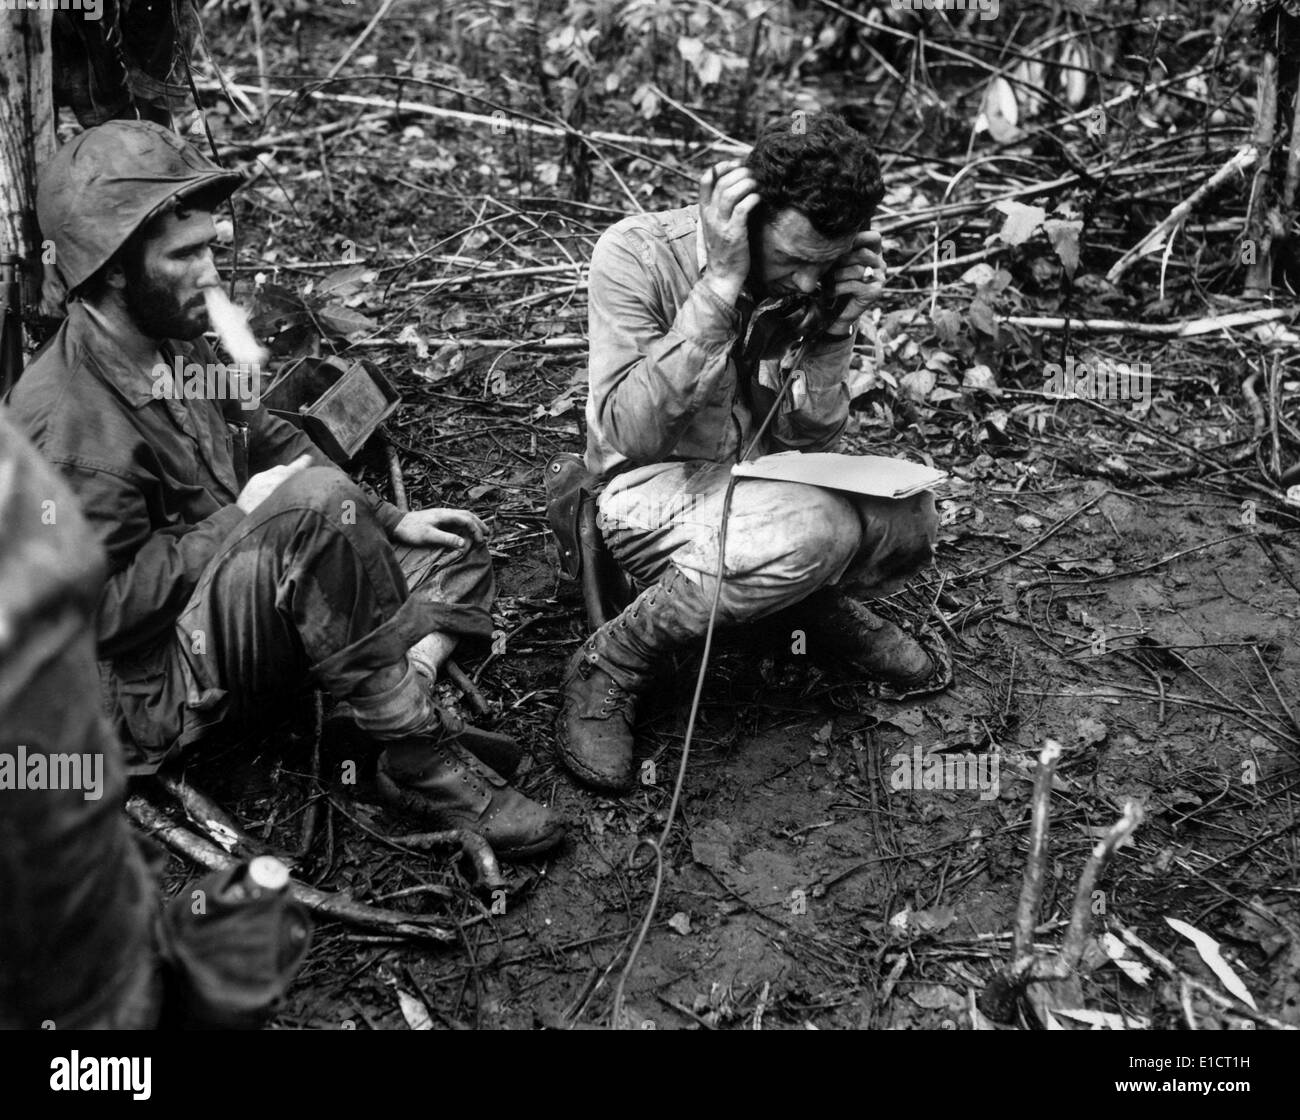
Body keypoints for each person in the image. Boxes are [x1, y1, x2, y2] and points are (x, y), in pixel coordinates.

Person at [9, 119, 562, 858]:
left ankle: (381, 696)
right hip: (158, 682)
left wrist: (390, 519)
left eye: (210, 247)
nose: (210, 273)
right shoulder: (67, 426)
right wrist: (242, 519)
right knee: (316, 509)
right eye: (185, 255)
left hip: (251, 587)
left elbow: (259, 430)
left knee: (454, 549)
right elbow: (97, 617)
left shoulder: (172, 335)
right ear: (112, 268)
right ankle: (416, 750)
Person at [557, 112, 951, 793]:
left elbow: (809, 441)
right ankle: (614, 658)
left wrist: (833, 337)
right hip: (640, 490)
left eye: (820, 265)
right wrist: (718, 286)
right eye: (792, 260)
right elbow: (630, 433)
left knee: (912, 516)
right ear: (745, 217)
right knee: (814, 532)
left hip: (756, 487)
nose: (803, 283)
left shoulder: (812, 284)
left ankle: (791, 597)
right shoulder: (636, 253)